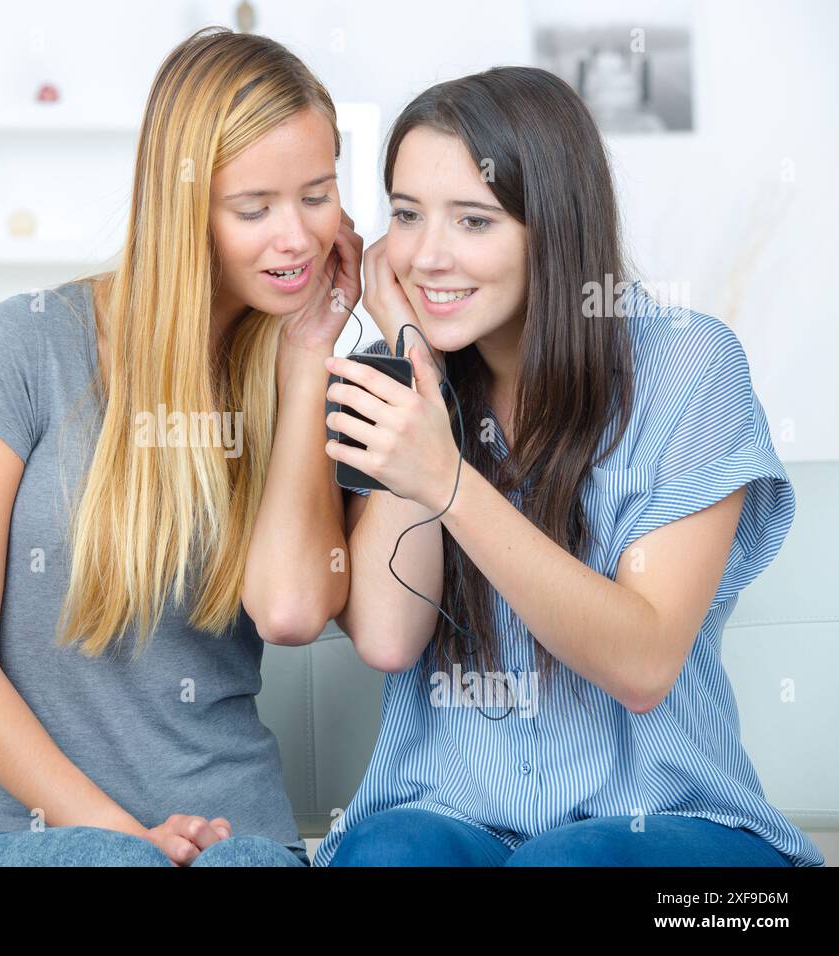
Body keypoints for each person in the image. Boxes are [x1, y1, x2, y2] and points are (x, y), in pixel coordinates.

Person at [317, 65, 824, 867]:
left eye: (474, 221)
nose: (427, 256)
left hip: (670, 823)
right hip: (453, 814)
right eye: (407, 215)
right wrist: (419, 372)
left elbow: (643, 663)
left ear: (554, 228)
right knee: (383, 856)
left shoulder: (688, 368)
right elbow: (385, 636)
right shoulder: (405, 381)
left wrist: (449, 482)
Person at [0, 26, 362, 867]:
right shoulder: (23, 347)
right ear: (182, 204)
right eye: (254, 208)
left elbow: (295, 612)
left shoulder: (317, 386)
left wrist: (306, 369)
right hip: (24, 836)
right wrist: (131, 842)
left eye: (317, 195)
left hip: (240, 834)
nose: (296, 237)